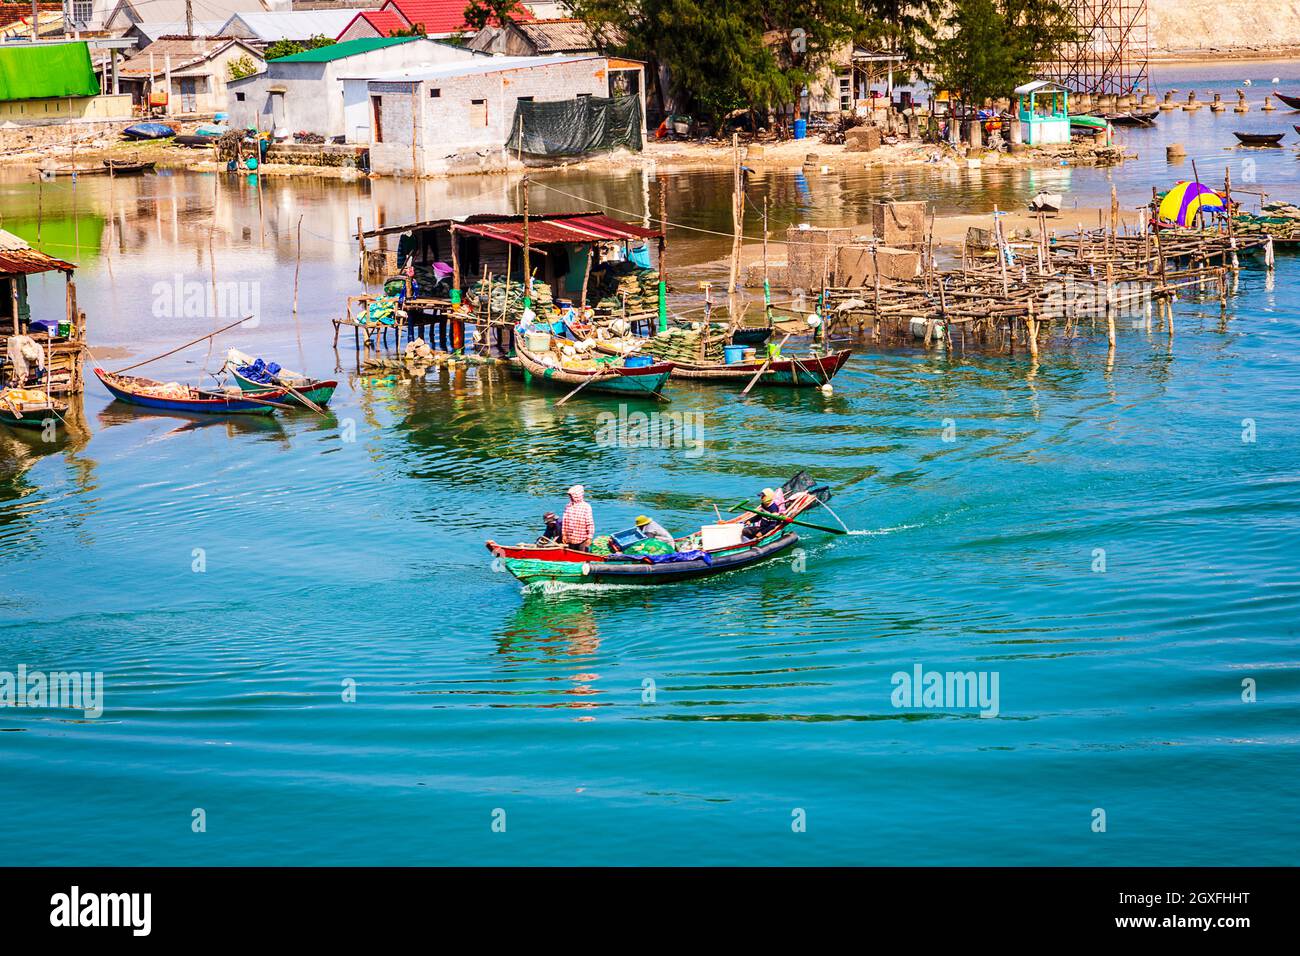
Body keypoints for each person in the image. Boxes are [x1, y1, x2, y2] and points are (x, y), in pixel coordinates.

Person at [561, 485, 595, 551]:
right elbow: (565, 522)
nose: (570, 497)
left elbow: (590, 523)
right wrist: (564, 535)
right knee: (571, 554)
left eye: (572, 495)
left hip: (582, 538)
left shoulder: (586, 507)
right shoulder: (568, 506)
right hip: (570, 538)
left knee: (582, 555)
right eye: (570, 495)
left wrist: (589, 537)